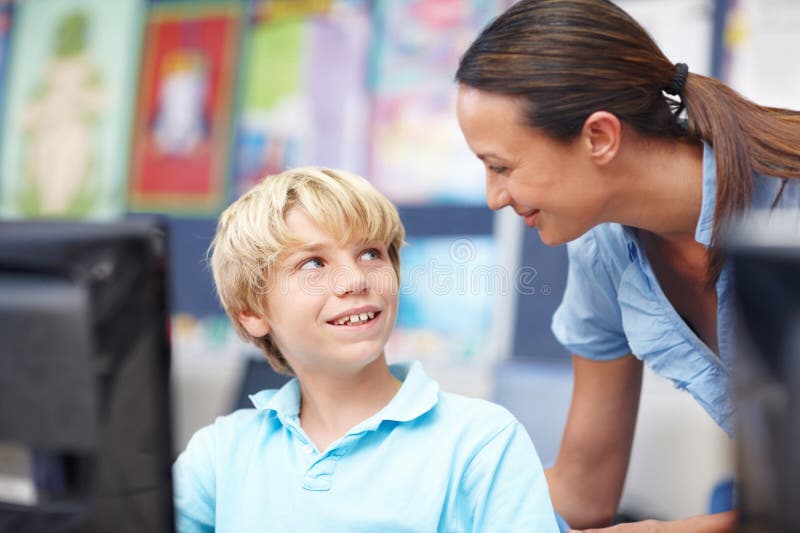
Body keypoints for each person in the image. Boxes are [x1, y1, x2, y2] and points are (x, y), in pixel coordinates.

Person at [453, 0, 800, 531]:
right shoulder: (603, 252)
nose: (494, 197)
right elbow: (582, 489)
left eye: (501, 166)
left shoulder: (787, 204)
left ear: (599, 137)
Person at [172, 167, 561, 532]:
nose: (355, 280)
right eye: (313, 263)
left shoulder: (481, 442)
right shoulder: (221, 455)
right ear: (252, 312)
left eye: (371, 254)